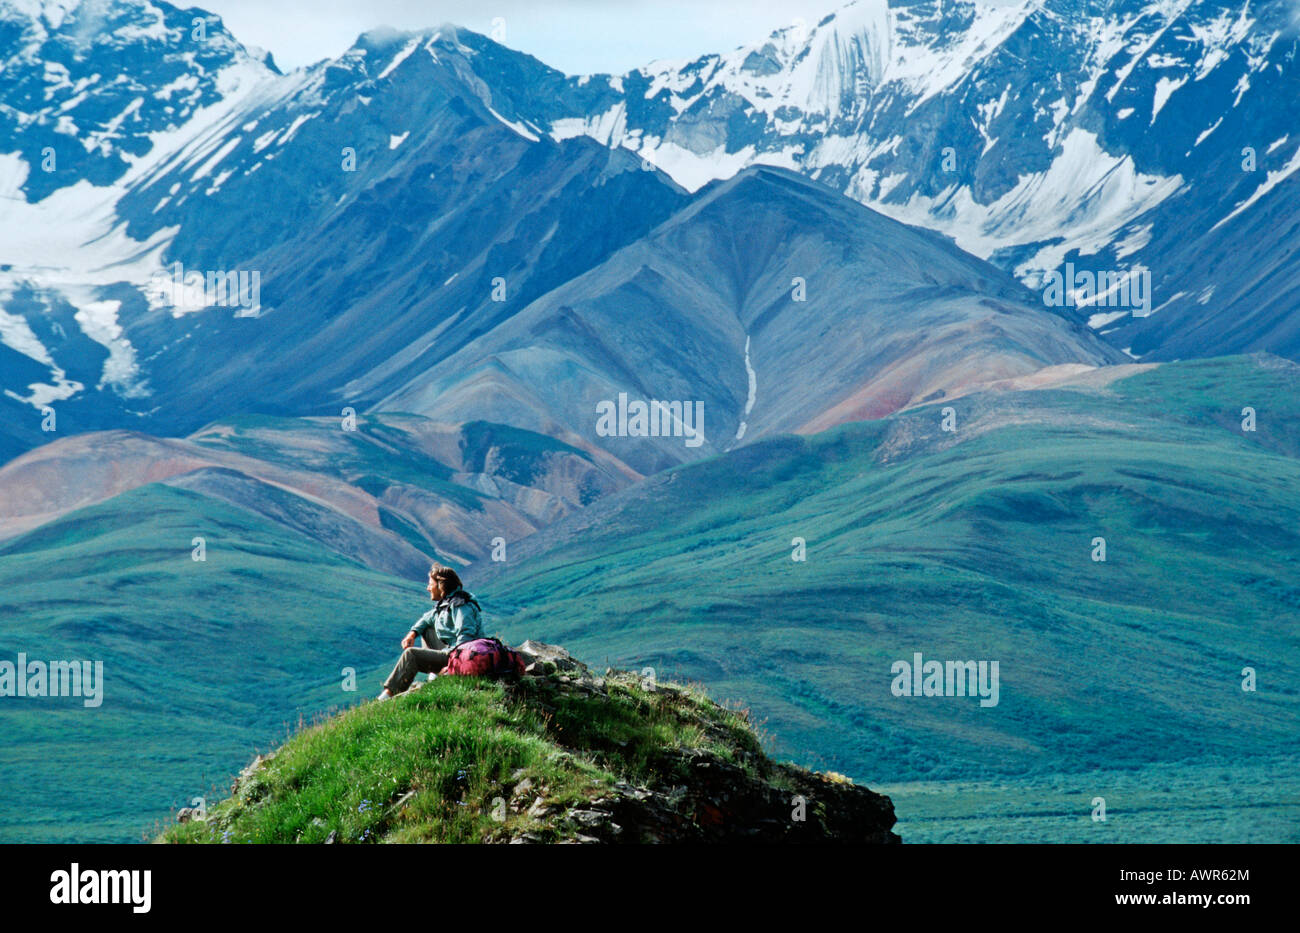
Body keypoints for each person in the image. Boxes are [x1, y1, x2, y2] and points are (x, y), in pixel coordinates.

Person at [376, 563, 484, 700]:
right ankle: (435, 674)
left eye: (430, 584)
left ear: (440, 585)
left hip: (464, 656)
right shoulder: (447, 603)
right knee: (426, 629)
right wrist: (413, 633)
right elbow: (427, 618)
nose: (428, 588)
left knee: (411, 654)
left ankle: (386, 697)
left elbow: (466, 637)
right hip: (453, 652)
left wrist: (453, 663)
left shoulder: (461, 606)